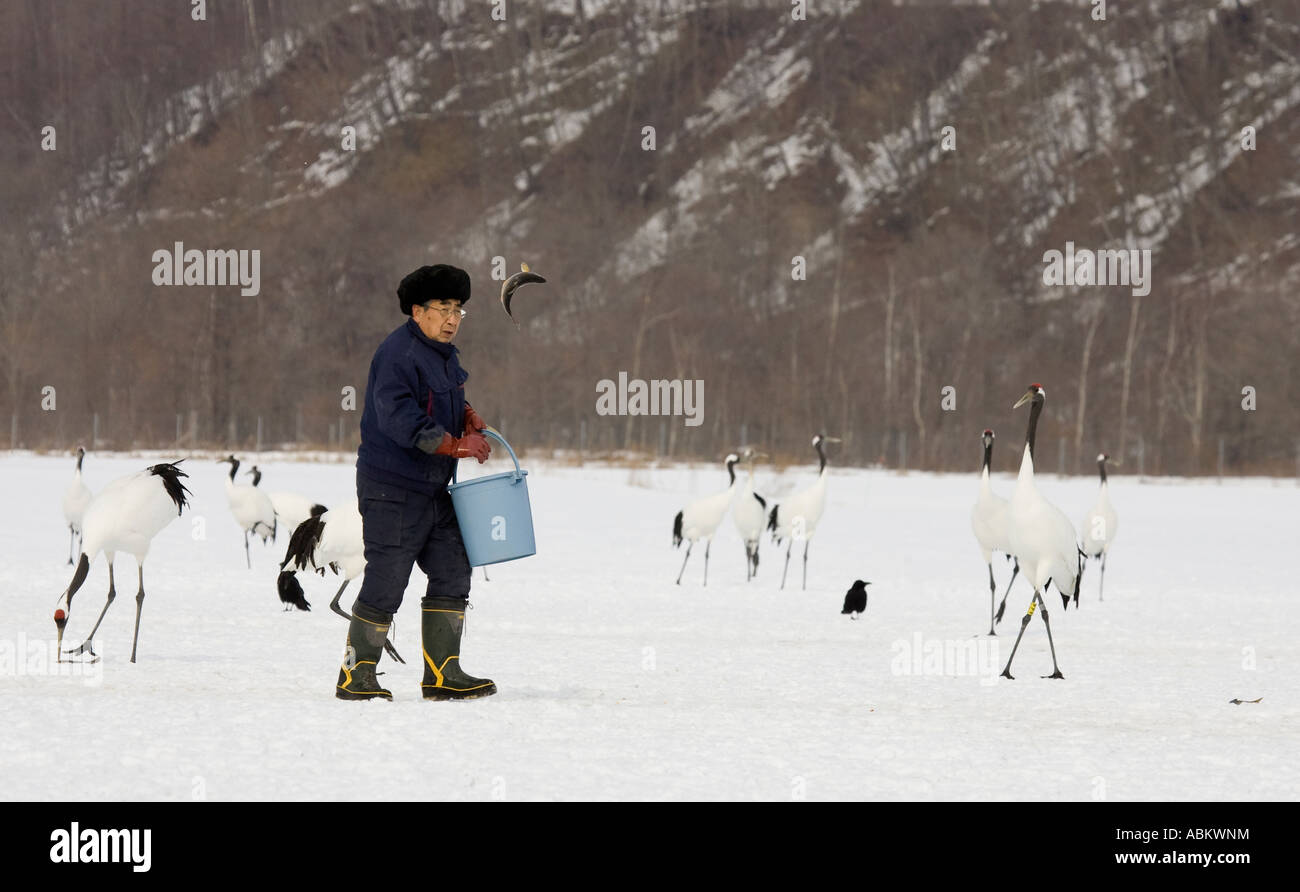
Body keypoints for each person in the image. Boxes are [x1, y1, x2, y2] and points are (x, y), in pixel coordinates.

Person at [336, 263, 497, 701]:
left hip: (432, 486)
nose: (452, 319)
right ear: (416, 311)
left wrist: (466, 415)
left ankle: (443, 674)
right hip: (391, 487)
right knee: (388, 577)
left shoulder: (444, 355)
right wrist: (453, 445)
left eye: (458, 310)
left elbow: (441, 399)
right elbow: (399, 416)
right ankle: (356, 675)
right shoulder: (397, 354)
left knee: (453, 564)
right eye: (443, 308)